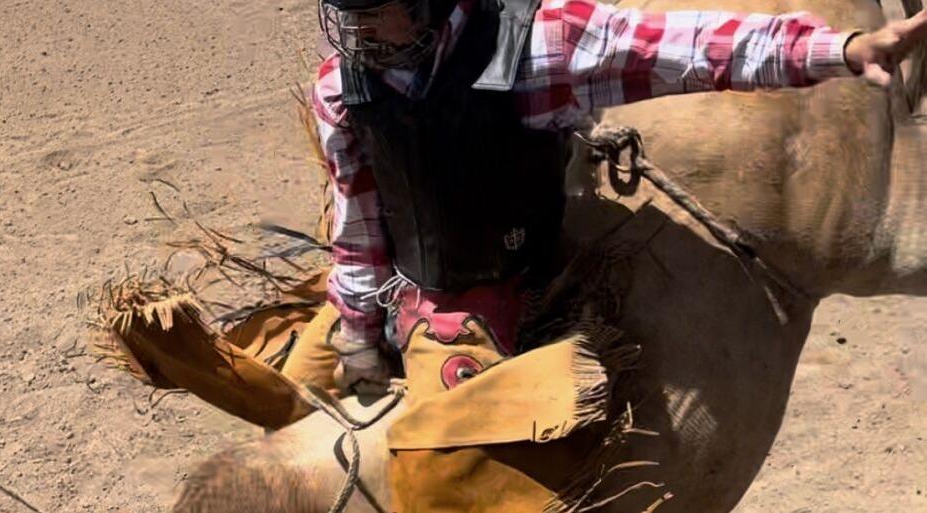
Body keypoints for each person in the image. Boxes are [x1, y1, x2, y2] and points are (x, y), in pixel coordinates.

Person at [282, 0, 927, 397]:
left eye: (375, 8)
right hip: (402, 285)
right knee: (290, 393)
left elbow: (693, 48)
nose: (357, 28)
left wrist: (841, 50)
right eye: (347, 11)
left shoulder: (537, 46)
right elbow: (359, 220)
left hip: (489, 295)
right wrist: (359, 334)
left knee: (443, 457)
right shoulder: (343, 86)